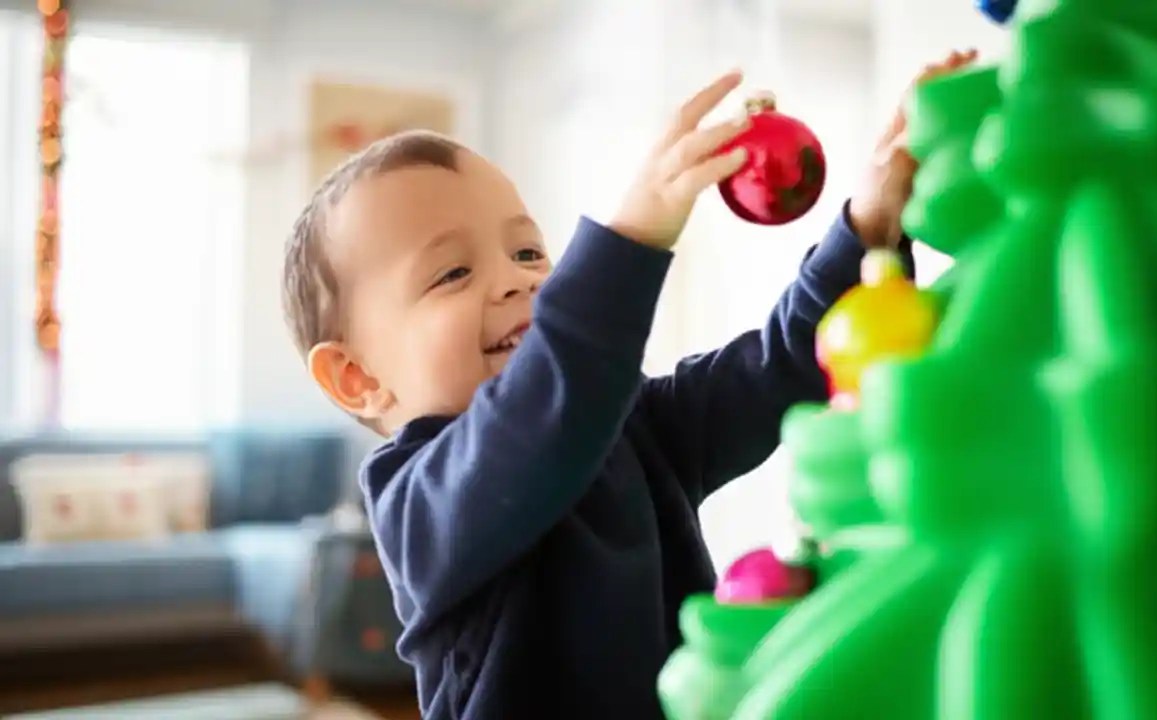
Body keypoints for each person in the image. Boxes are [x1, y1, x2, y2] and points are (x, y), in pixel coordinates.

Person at [282, 50, 977, 719]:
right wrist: (631, 237)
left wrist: (868, 223)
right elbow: (541, 422)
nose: (519, 279)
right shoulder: (417, 504)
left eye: (528, 251)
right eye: (452, 273)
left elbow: (781, 366)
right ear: (358, 378)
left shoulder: (631, 425)